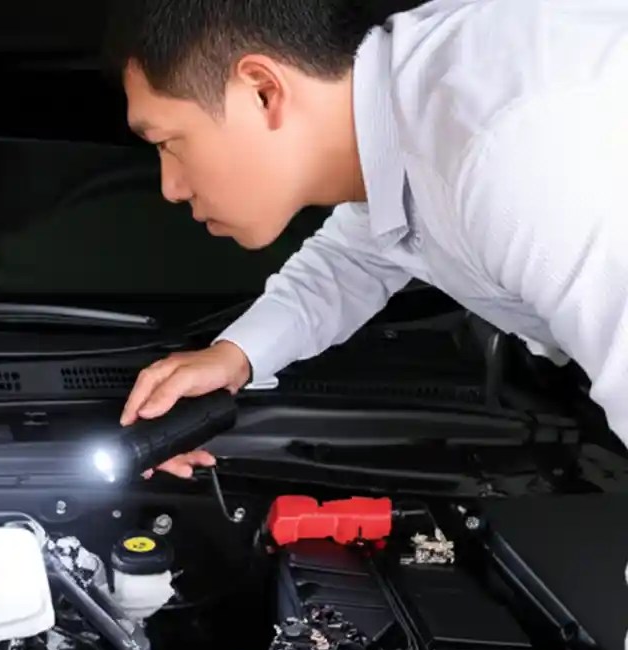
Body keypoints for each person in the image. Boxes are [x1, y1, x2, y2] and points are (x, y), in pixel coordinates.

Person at [108, 0, 628, 479]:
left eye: (168, 143)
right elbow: (359, 252)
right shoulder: (402, 112)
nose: (170, 187)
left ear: (262, 90)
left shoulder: (514, 153)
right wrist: (234, 356)